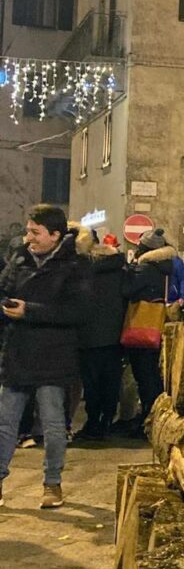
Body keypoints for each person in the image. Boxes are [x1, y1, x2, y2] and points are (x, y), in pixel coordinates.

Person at [0, 204, 89, 508]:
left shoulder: (75, 266)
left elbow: (78, 312)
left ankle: (53, 484)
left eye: (35, 232)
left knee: (52, 426)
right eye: (28, 231)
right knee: (5, 424)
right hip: (18, 354)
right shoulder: (19, 258)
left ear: (55, 235)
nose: (29, 238)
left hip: (54, 357)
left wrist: (30, 311)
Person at [121, 228, 184, 427]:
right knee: (152, 374)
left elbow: (127, 289)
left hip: (142, 323)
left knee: (144, 374)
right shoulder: (166, 266)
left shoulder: (146, 268)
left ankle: (148, 417)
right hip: (157, 324)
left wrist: (130, 269)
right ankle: (151, 414)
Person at [74, 227, 127, 442]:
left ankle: (93, 423)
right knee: (111, 381)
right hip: (115, 335)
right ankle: (106, 421)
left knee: (92, 383)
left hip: (88, 336)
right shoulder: (120, 268)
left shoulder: (83, 269)